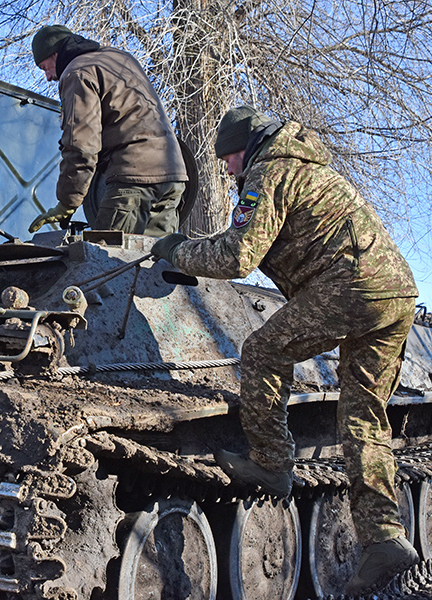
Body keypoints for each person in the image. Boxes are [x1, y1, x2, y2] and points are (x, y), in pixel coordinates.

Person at [150, 106, 419, 594]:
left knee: (262, 352)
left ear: (245, 148)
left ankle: (273, 462)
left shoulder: (268, 173)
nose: (228, 170)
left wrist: (175, 249)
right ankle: (384, 537)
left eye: (228, 158)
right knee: (362, 418)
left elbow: (236, 256)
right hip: (394, 292)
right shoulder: (309, 168)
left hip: (352, 287)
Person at [28, 25, 188, 236]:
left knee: (108, 262)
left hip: (133, 179)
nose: (48, 76)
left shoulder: (77, 72)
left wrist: (67, 202)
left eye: (44, 67)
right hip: (173, 176)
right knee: (154, 262)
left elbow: (81, 145)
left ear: (54, 54)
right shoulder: (119, 58)